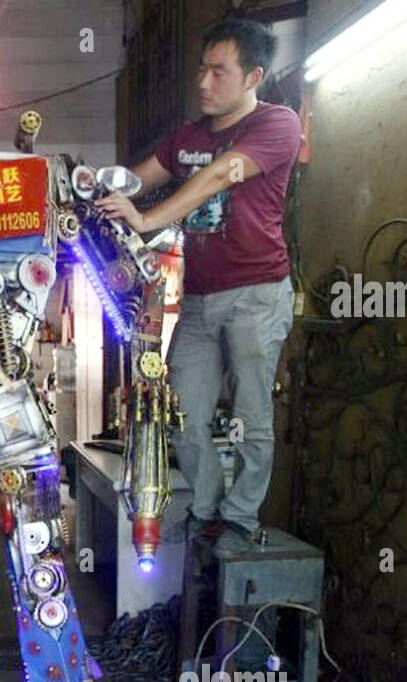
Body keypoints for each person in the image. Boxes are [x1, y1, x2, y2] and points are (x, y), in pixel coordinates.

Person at [97, 17, 301, 542]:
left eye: (219, 71)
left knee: (253, 415)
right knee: (183, 412)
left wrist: (147, 219)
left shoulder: (276, 126)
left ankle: (240, 515)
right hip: (199, 298)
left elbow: (218, 175)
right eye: (201, 70)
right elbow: (140, 177)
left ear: (253, 76)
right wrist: (93, 185)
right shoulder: (187, 137)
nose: (203, 83)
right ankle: (207, 508)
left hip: (257, 293)